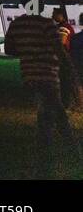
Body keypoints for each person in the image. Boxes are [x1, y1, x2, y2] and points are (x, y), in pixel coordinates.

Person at [5, 9, 77, 159]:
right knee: (56, 110)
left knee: (45, 108)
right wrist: (69, 68)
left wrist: (27, 51)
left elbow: (9, 49)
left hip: (29, 74)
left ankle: (47, 144)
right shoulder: (47, 24)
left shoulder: (16, 24)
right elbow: (59, 48)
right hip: (47, 72)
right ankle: (68, 146)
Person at [52, 9, 79, 109]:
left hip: (63, 58)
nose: (52, 16)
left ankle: (66, 102)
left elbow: (62, 43)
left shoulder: (63, 27)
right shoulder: (66, 26)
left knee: (64, 81)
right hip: (66, 57)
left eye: (54, 14)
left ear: (61, 15)